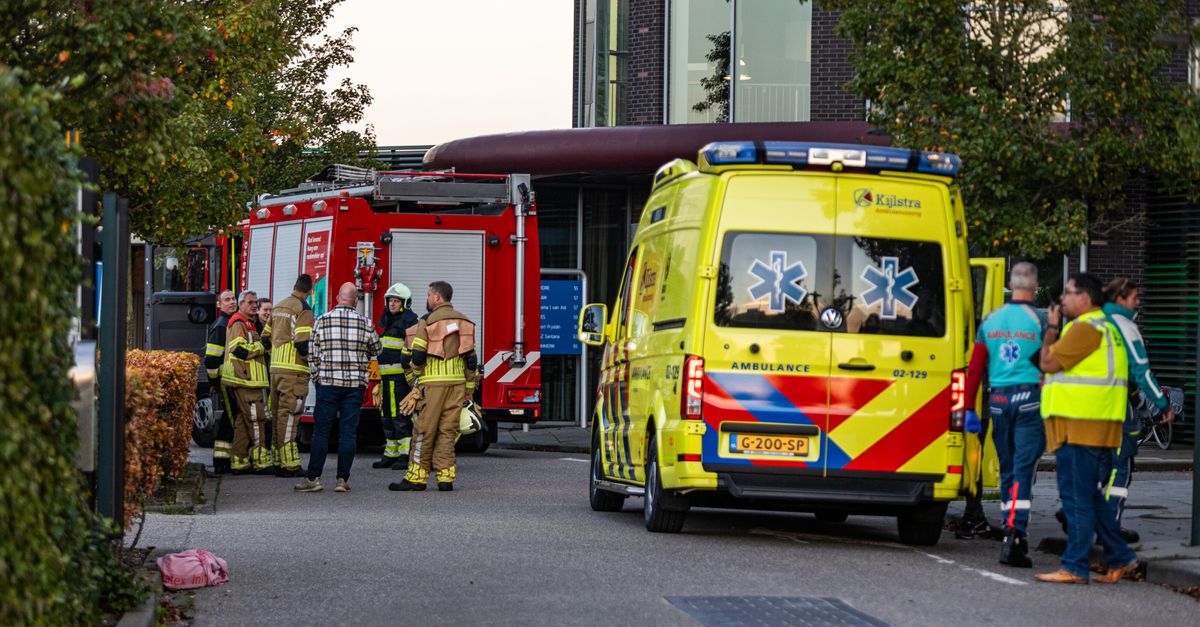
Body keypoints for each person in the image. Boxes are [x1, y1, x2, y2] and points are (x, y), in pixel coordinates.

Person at [1035, 273, 1138, 584]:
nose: (1063, 299)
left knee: (1076, 498)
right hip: (1095, 423)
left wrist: (1051, 327)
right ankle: (1121, 557)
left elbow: (1047, 363)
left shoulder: (1085, 328)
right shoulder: (1105, 328)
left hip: (1081, 425)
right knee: (1091, 497)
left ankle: (1075, 566)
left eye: (1068, 292)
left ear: (1085, 298)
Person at [963, 262, 1048, 567]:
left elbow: (974, 369)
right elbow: (1053, 362)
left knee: (1008, 469)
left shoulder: (990, 321)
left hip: (997, 401)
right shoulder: (1041, 319)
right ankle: (1015, 534)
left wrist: (968, 408)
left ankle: (1008, 529)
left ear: (1010, 286)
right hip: (1029, 401)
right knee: (1024, 471)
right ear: (1035, 287)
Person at [1100, 277, 1175, 543]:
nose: (1138, 303)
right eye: (1134, 298)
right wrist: (1163, 404)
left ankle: (1081, 514)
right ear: (1120, 299)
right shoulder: (1125, 326)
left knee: (1096, 466)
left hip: (1086, 410)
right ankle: (1109, 527)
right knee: (1121, 468)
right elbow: (1141, 371)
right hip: (1118, 408)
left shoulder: (1090, 322)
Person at [390, 281, 479, 492]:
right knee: (448, 431)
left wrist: (416, 377)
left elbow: (418, 355)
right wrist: (468, 388)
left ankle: (416, 477)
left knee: (423, 430)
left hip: (432, 385)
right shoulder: (464, 321)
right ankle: (445, 478)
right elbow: (471, 360)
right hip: (457, 385)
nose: (427, 299)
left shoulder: (427, 321)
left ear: (437, 298)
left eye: (429, 295)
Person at [295, 282, 381, 493]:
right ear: (355, 300)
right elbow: (377, 348)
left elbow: (312, 354)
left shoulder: (322, 321)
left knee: (321, 432)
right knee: (348, 434)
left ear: (338, 299)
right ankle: (342, 480)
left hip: (328, 384)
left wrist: (317, 378)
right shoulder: (365, 323)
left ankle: (313, 478)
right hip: (354, 386)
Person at [268, 275, 315, 477]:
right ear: (309, 291)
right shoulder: (303, 308)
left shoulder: (278, 306)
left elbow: (265, 336)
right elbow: (302, 343)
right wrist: (311, 360)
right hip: (293, 371)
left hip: (275, 370)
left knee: (277, 414)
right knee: (290, 417)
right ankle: (290, 464)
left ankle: (278, 459)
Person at [222, 290, 272, 474]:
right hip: (246, 381)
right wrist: (261, 347)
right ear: (241, 304)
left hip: (250, 382)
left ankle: (239, 460)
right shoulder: (238, 322)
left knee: (243, 422)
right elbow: (238, 349)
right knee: (257, 420)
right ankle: (261, 462)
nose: (254, 305)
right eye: (250, 302)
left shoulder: (248, 323)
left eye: (255, 302)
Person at [373, 283, 419, 470]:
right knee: (387, 416)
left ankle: (404, 454)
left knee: (400, 416)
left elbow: (413, 351)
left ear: (404, 303)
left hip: (400, 379)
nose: (392, 304)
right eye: (390, 301)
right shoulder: (387, 321)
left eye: (396, 301)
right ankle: (390, 453)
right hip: (386, 378)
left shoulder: (410, 322)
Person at [204, 290, 237, 474]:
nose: (232, 302)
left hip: (230, 381)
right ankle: (221, 462)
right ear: (220, 304)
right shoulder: (221, 326)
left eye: (234, 299)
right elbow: (211, 359)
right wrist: (215, 381)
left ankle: (223, 460)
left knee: (227, 421)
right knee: (229, 422)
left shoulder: (230, 323)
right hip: (226, 381)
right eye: (227, 300)